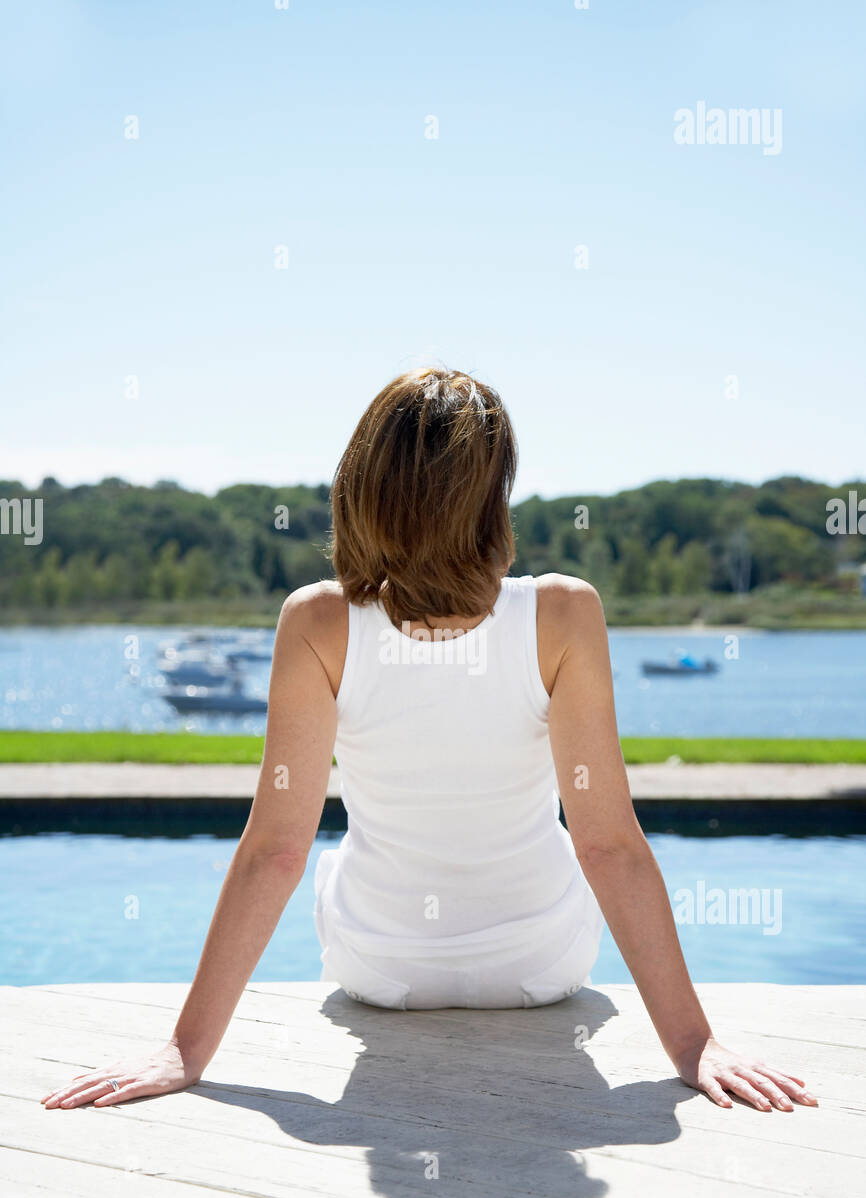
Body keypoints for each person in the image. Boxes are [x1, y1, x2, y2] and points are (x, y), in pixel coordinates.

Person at [41, 367, 817, 1114]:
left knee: (330, 865)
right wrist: (695, 1046)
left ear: (363, 492)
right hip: (542, 966)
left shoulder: (316, 622)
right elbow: (608, 844)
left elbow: (276, 848)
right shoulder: (563, 614)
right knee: (570, 863)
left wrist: (185, 1050)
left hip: (382, 970)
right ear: (491, 504)